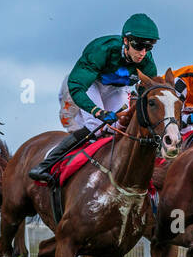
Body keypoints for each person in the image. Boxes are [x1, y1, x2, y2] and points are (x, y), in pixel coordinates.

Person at [29, 13, 160, 184]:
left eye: (148, 47)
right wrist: (97, 111)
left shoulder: (147, 63)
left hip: (117, 88)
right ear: (126, 41)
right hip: (91, 84)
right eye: (139, 46)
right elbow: (76, 87)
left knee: (119, 127)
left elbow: (147, 96)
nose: (143, 53)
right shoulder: (100, 50)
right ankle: (47, 164)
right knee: (97, 127)